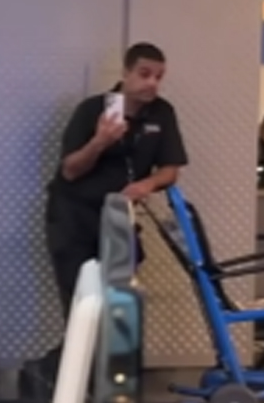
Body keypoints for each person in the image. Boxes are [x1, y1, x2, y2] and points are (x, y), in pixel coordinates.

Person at [44, 42, 188, 311]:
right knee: (82, 304)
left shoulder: (161, 112)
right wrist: (100, 141)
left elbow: (171, 169)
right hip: (76, 214)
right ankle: (78, 352)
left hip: (120, 216)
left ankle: (111, 353)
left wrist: (147, 184)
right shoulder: (91, 110)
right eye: (144, 74)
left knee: (119, 303)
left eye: (158, 77)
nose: (152, 84)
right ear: (126, 73)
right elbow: (70, 171)